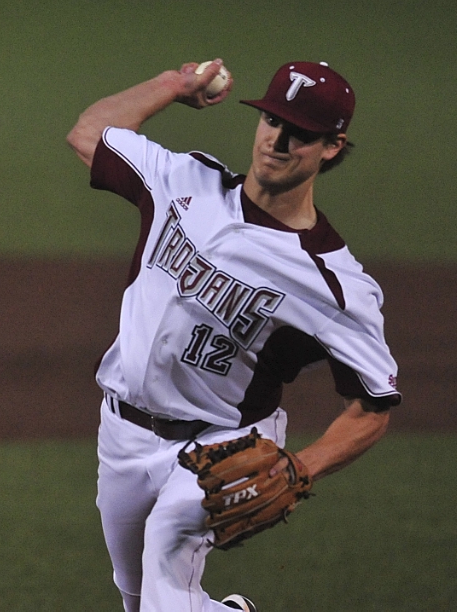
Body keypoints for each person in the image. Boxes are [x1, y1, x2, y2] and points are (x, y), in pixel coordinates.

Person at [65, 59, 401, 611]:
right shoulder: (182, 180)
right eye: (271, 120)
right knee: (135, 601)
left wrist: (301, 467)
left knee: (165, 595)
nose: (278, 139)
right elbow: (89, 133)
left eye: (300, 132)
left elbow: (374, 404)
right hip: (122, 431)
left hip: (221, 447)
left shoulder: (331, 279)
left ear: (332, 148)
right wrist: (173, 86)